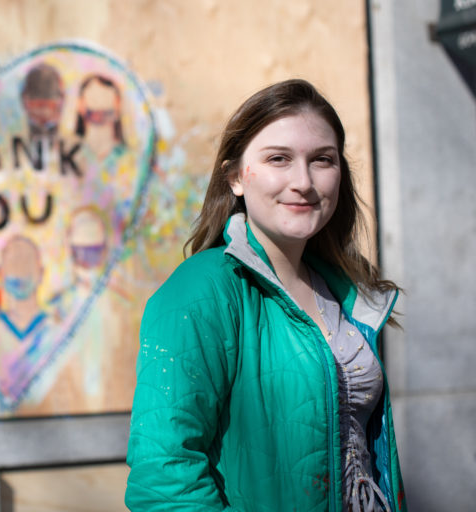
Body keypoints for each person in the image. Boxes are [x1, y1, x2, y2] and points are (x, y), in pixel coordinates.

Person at [125, 79, 406, 511]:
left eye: (322, 160)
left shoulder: (346, 292)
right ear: (236, 177)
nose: (303, 181)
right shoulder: (201, 291)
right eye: (279, 159)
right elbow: (164, 477)